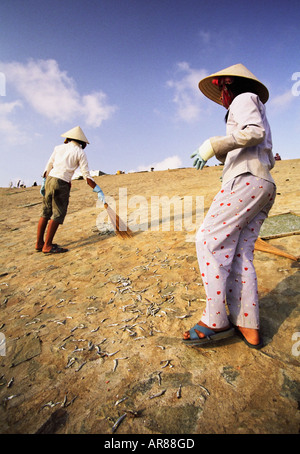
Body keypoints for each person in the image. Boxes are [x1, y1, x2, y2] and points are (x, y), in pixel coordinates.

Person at [183, 64, 276, 349]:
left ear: (227, 86)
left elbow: (254, 132)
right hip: (263, 184)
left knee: (207, 240)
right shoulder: (249, 103)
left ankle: (216, 319)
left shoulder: (242, 98)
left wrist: (213, 144)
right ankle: (248, 324)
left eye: (222, 89)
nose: (222, 97)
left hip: (246, 181)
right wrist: (222, 153)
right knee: (240, 252)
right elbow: (251, 140)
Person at [35, 126, 105, 254]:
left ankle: (39, 243)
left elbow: (48, 166)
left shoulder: (58, 148)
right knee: (57, 213)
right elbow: (86, 176)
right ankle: (48, 245)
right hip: (61, 183)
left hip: (50, 179)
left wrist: (44, 182)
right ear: (82, 142)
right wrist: (98, 190)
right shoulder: (80, 153)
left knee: (45, 212)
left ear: (69, 138)